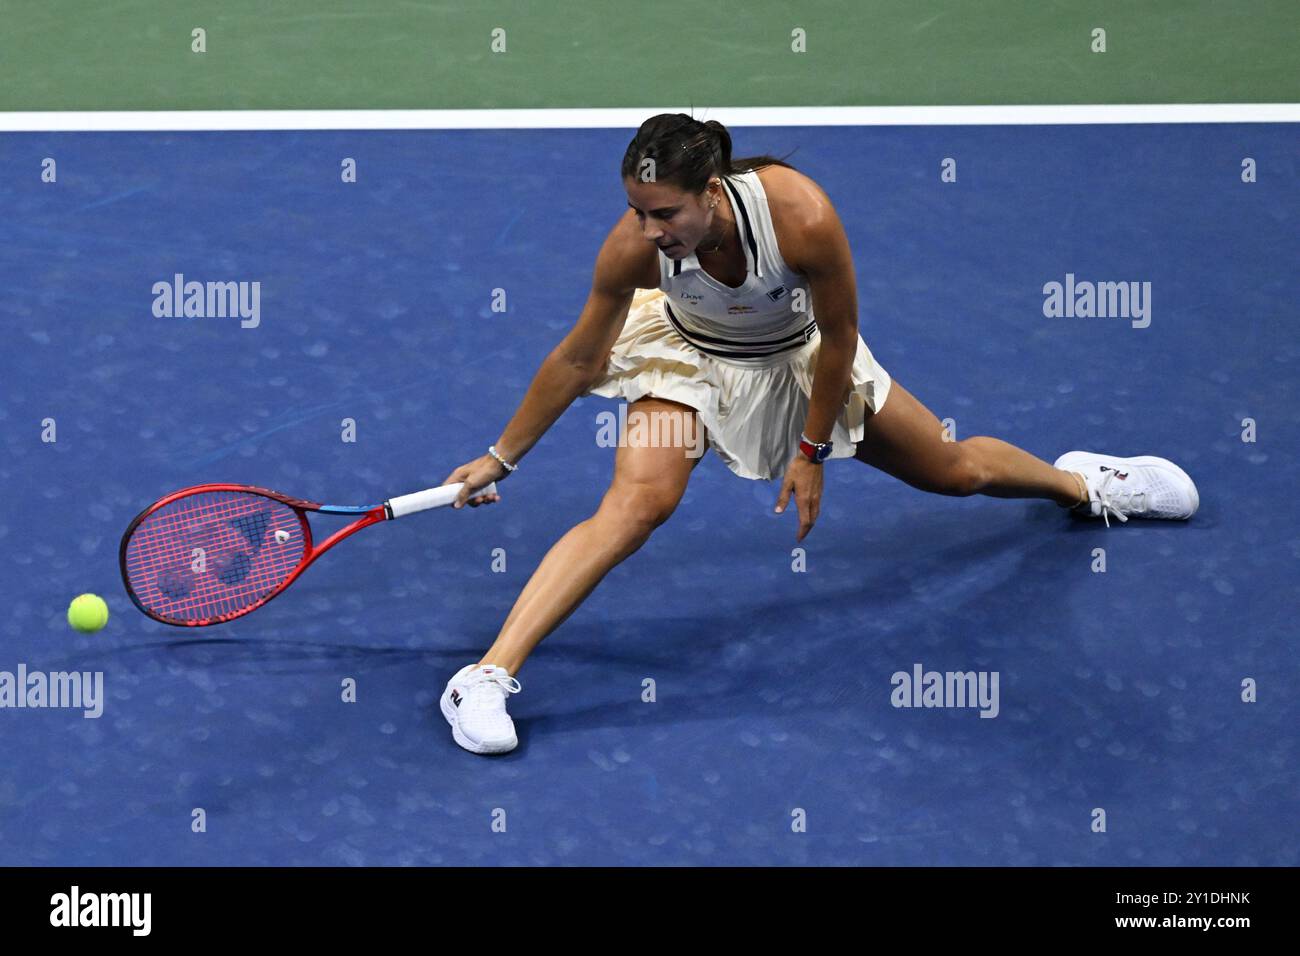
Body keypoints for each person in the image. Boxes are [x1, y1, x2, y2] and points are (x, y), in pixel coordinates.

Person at [436, 114, 1199, 755]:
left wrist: (810, 453)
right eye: (638, 211)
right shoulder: (635, 251)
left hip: (802, 360)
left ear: (711, 191)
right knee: (635, 508)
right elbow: (579, 358)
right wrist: (502, 457)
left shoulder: (801, 217)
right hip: (688, 360)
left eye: (664, 212)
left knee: (957, 472)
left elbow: (838, 339)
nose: (649, 229)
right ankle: (486, 676)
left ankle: (1084, 484)